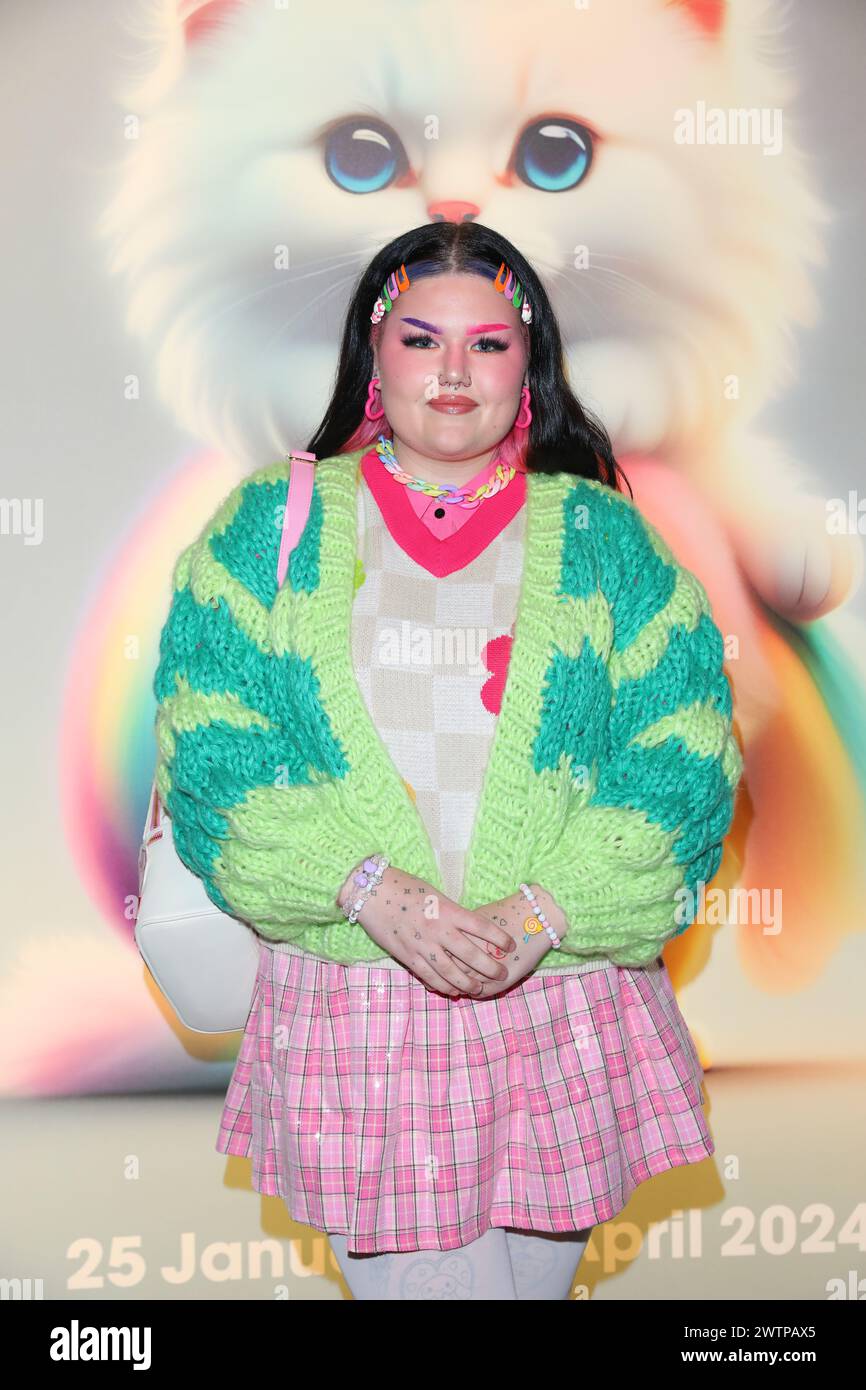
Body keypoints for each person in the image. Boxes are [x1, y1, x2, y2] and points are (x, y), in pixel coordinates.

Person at [152, 220, 744, 1300]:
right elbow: (214, 748)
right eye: (422, 340)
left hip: (562, 1007)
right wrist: (374, 893)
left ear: (531, 361)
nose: (454, 372)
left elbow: (683, 754)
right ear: (372, 352)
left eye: (488, 344)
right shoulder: (267, 528)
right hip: (361, 1005)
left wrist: (542, 913)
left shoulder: (610, 539)